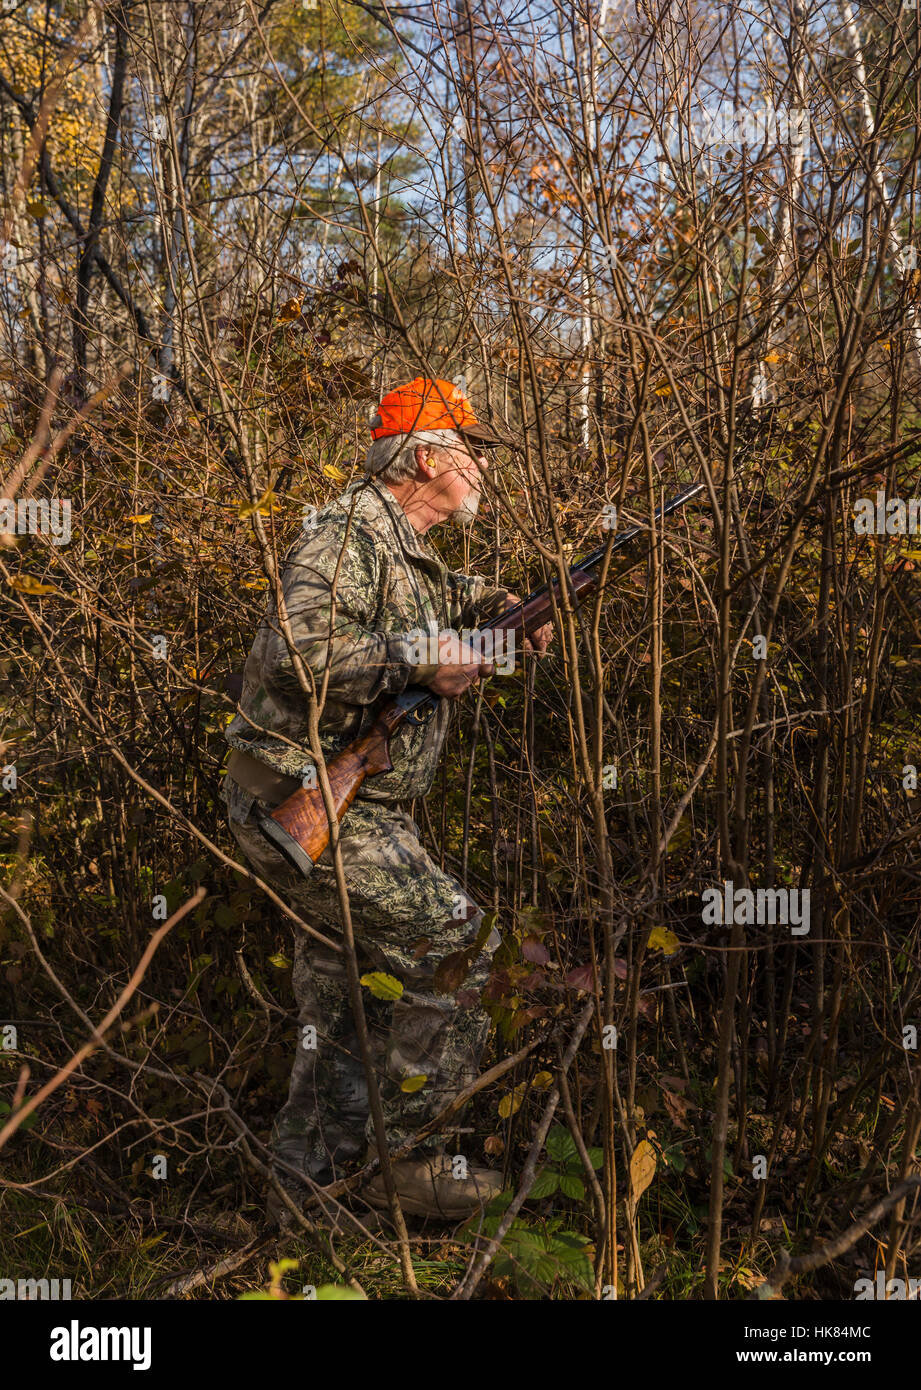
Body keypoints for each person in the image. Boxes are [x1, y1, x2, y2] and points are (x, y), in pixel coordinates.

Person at [221, 377, 553, 1222]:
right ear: (429, 457)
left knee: (341, 1001)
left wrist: (502, 609)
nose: (484, 470)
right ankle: (397, 1164)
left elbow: (446, 594)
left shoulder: (404, 541)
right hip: (307, 801)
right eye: (473, 452)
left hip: (351, 813)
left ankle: (305, 1201)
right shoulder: (347, 532)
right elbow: (299, 651)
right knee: (467, 956)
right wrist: (417, 658)